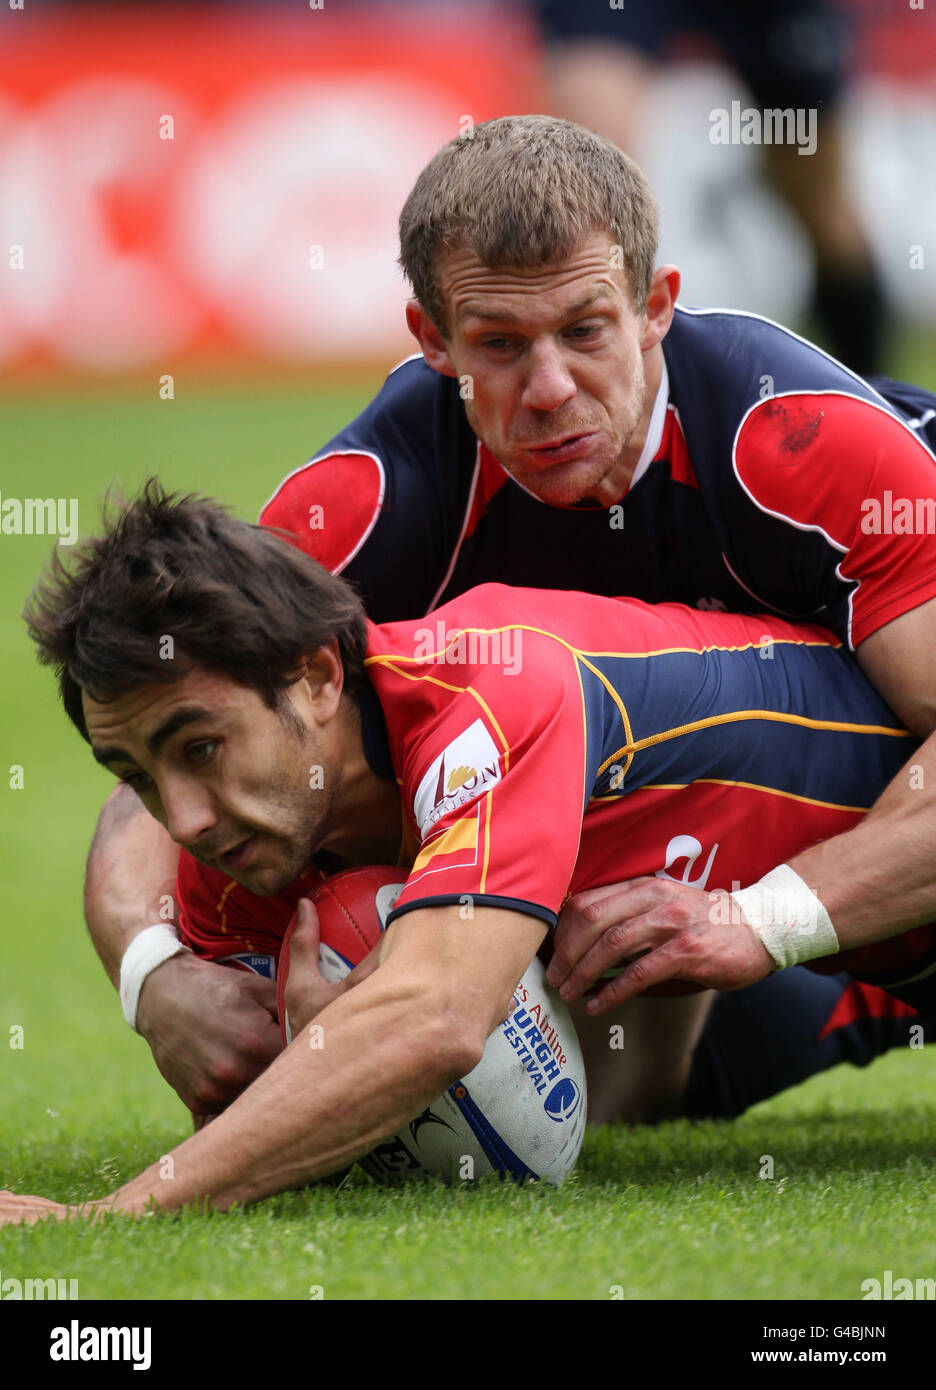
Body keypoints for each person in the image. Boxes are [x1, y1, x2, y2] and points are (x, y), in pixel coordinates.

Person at [82, 115, 936, 1123]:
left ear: (656, 307)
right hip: (676, 856)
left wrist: (760, 921)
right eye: (498, 343)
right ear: (433, 341)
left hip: (859, 809)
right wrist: (158, 974)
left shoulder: (804, 445)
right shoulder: (372, 501)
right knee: (625, 1092)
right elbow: (175, 735)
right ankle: (861, 1006)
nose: (547, 388)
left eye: (585, 329)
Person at [6, 482, 933, 1223]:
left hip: (874, 903)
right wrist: (274, 1044)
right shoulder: (245, 844)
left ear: (318, 678)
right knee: (654, 1081)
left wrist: (111, 1214)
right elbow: (256, 1131)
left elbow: (434, 1021)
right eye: (137, 774)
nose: (186, 820)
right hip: (780, 963)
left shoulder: (494, 684)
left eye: (199, 748)